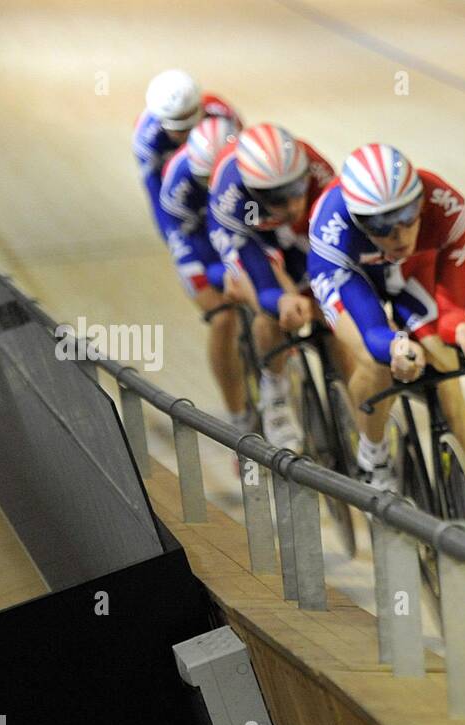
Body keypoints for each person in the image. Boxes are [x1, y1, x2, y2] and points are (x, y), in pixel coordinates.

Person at [308, 143, 465, 509]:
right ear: (359, 220)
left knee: (450, 375)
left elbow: (451, 303)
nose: (399, 235)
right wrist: (395, 346)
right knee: (376, 361)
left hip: (406, 276)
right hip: (348, 279)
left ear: (420, 201)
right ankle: (373, 456)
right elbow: (374, 331)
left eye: (408, 216)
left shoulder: (447, 207)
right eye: (381, 226)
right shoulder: (332, 225)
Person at [207, 123, 336, 452]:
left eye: (297, 188)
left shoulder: (317, 168)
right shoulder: (231, 192)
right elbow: (257, 271)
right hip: (250, 237)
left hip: (292, 236)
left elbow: (329, 244)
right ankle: (275, 393)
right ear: (255, 191)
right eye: (278, 197)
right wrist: (282, 300)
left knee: (331, 305)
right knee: (267, 307)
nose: (293, 202)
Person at [157, 116, 251, 433]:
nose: (215, 186)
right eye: (205, 179)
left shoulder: (249, 167)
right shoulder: (178, 183)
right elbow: (180, 242)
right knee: (223, 318)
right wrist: (212, 283)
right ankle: (238, 418)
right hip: (202, 248)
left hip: (239, 235)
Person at [134, 69, 240, 229]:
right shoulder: (146, 141)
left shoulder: (221, 111)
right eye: (180, 129)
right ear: (161, 121)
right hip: (186, 182)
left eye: (192, 122)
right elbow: (158, 198)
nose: (189, 134)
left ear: (200, 106)